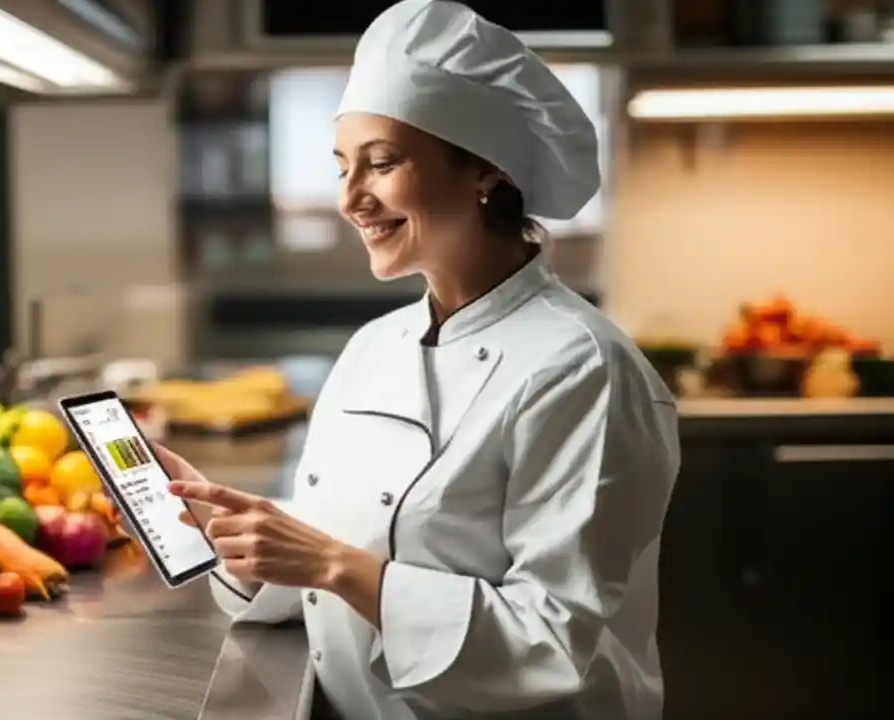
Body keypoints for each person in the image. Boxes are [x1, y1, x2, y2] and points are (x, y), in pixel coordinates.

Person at [159, 2, 680, 718]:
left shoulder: (581, 368)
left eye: (382, 163)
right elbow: (332, 566)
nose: (350, 200)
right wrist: (229, 531)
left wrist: (330, 564)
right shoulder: (375, 346)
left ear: (486, 172)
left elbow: (554, 643)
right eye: (342, 167)